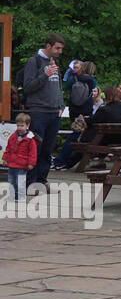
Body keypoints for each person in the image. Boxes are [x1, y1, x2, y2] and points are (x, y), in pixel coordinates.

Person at [18, 34, 65, 190]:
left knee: (47, 149)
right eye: (57, 48)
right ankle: (30, 183)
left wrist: (61, 105)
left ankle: (42, 180)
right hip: (38, 111)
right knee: (35, 148)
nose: (60, 51)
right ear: (48, 46)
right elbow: (28, 86)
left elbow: (58, 87)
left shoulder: (55, 62)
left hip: (54, 112)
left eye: (61, 49)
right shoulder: (34, 61)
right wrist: (45, 75)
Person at [2, 113, 38, 203]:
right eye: (18, 125)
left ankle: (21, 197)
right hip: (12, 163)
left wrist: (31, 163)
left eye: (22, 126)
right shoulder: (13, 137)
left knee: (20, 182)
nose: (19, 128)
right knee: (11, 181)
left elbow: (33, 152)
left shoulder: (30, 139)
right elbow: (8, 148)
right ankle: (12, 196)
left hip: (22, 165)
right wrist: (5, 158)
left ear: (28, 125)